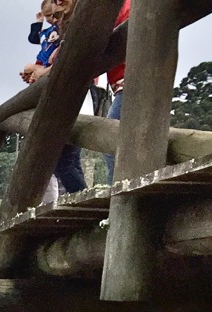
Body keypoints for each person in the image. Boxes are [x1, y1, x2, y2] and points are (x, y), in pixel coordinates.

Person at [20, 0, 86, 195]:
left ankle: (79, 196)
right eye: (52, 16)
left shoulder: (74, 29)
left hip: (75, 93)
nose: (54, 20)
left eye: (56, 15)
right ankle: (77, 197)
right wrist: (37, 71)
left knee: (64, 159)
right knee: (64, 159)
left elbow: (70, 60)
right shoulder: (56, 33)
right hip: (64, 93)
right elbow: (38, 44)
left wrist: (41, 71)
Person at [103, 0, 131, 181]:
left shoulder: (122, 8)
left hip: (129, 83)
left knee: (109, 139)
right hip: (122, 84)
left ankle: (116, 188)